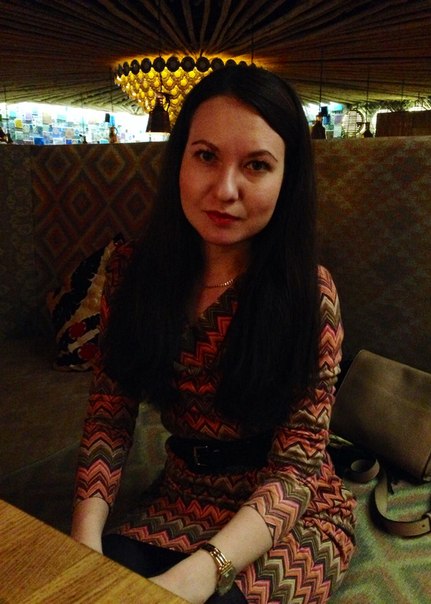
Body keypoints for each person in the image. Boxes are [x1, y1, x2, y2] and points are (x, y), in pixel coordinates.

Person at [71, 65, 356, 604]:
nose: (225, 190)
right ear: (179, 159)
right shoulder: (132, 274)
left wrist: (206, 570)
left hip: (292, 512)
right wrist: (82, 545)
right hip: (180, 498)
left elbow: (296, 467)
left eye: (257, 165)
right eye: (206, 156)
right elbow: (108, 417)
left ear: (287, 179)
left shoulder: (309, 294)